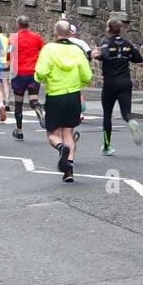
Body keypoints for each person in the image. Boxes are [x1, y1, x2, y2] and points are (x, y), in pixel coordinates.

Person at [34, 20, 93, 182]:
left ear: (55, 33)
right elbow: (88, 77)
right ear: (70, 33)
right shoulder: (77, 50)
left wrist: (42, 79)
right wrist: (78, 84)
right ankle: (69, 170)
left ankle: (61, 148)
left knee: (53, 133)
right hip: (73, 96)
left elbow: (40, 72)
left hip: (55, 95)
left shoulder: (49, 49)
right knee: (68, 132)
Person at [93, 18, 143, 155]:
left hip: (110, 85)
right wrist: (126, 55)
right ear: (120, 29)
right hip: (125, 83)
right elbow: (139, 58)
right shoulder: (127, 43)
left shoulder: (106, 43)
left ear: (108, 29)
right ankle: (131, 121)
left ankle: (107, 146)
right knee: (126, 112)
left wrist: (97, 55)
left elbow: (104, 54)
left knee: (107, 116)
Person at [8, 16, 45, 141]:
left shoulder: (13, 38)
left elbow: (8, 55)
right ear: (28, 25)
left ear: (18, 25)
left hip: (19, 74)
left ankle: (19, 132)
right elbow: (43, 51)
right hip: (33, 74)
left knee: (18, 104)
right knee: (33, 99)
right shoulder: (36, 37)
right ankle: (39, 111)